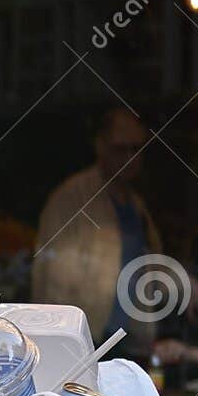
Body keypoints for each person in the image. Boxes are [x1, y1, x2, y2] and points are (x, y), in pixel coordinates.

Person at [32, 106, 159, 344]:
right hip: (88, 337)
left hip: (131, 339)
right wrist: (58, 343)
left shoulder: (136, 205)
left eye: (137, 149)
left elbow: (149, 266)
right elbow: (52, 280)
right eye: (120, 149)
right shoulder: (71, 198)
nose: (130, 158)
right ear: (100, 145)